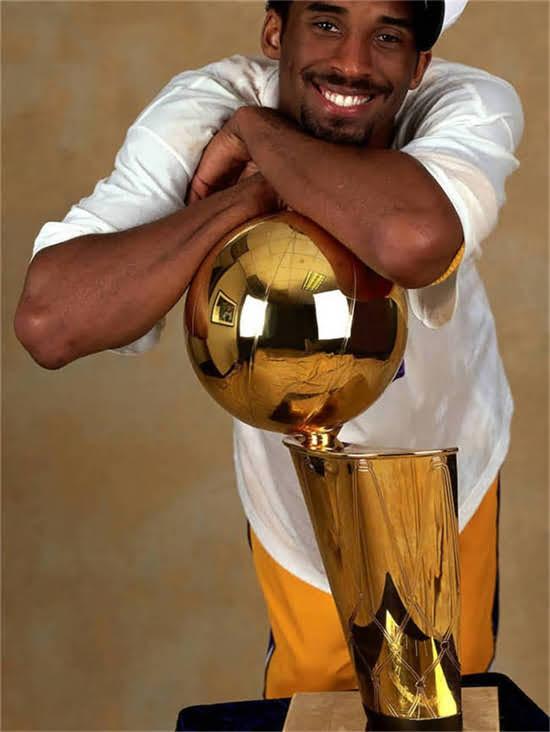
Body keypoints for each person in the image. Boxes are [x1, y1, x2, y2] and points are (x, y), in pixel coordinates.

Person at [15, 0, 523, 698]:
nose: (351, 62)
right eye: (326, 23)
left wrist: (257, 133)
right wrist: (247, 196)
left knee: (445, 701)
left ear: (419, 67)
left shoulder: (469, 102)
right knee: (312, 698)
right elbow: (50, 320)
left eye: (387, 35)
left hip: (447, 463)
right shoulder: (205, 107)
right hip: (298, 501)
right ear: (274, 31)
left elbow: (412, 240)